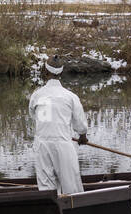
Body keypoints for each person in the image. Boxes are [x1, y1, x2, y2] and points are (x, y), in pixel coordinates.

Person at [28, 60, 89, 195]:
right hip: (63, 144)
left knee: (46, 186)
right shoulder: (70, 96)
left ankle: (51, 210)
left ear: (45, 72)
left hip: (42, 145)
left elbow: (34, 115)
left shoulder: (37, 95)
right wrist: (83, 137)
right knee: (71, 186)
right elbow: (80, 125)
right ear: (61, 73)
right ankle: (72, 211)